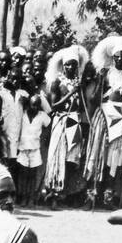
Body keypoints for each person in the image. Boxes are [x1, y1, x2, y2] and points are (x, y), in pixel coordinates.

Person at [85, 36, 122, 206]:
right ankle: (92, 194)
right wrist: (96, 84)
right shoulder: (105, 73)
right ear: (112, 58)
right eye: (117, 56)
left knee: (115, 158)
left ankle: (108, 195)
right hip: (104, 116)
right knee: (97, 154)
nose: (120, 59)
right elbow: (95, 98)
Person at [42, 44, 90, 206]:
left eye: (74, 65)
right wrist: (72, 92)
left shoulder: (78, 82)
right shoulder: (57, 82)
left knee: (72, 159)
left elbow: (81, 106)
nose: (70, 67)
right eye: (68, 64)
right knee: (58, 156)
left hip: (75, 122)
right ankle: (53, 193)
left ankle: (65, 192)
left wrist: (80, 91)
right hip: (61, 120)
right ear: (63, 66)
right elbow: (54, 106)